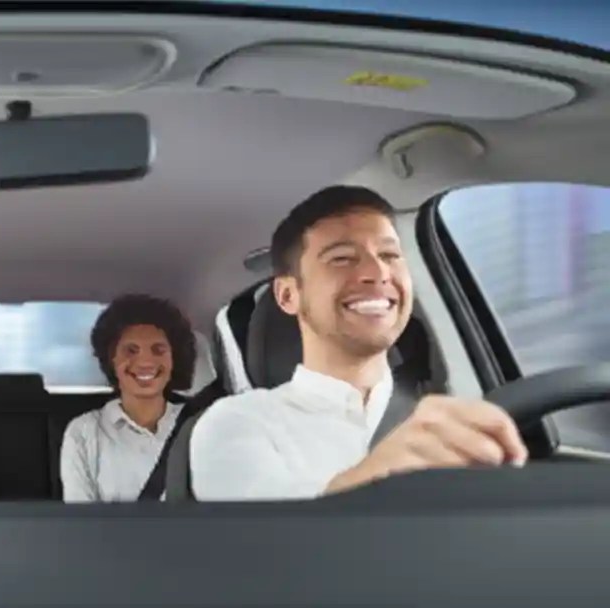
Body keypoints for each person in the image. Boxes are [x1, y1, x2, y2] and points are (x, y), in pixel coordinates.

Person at [191, 185, 527, 501]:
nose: (378, 272)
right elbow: (261, 538)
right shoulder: (235, 421)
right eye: (342, 258)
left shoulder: (447, 418)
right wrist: (383, 475)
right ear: (288, 294)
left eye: (390, 255)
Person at [60, 294, 197, 502]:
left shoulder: (198, 425)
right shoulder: (84, 432)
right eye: (130, 351)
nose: (145, 361)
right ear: (111, 360)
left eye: (158, 350)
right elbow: (81, 522)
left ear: (174, 359)